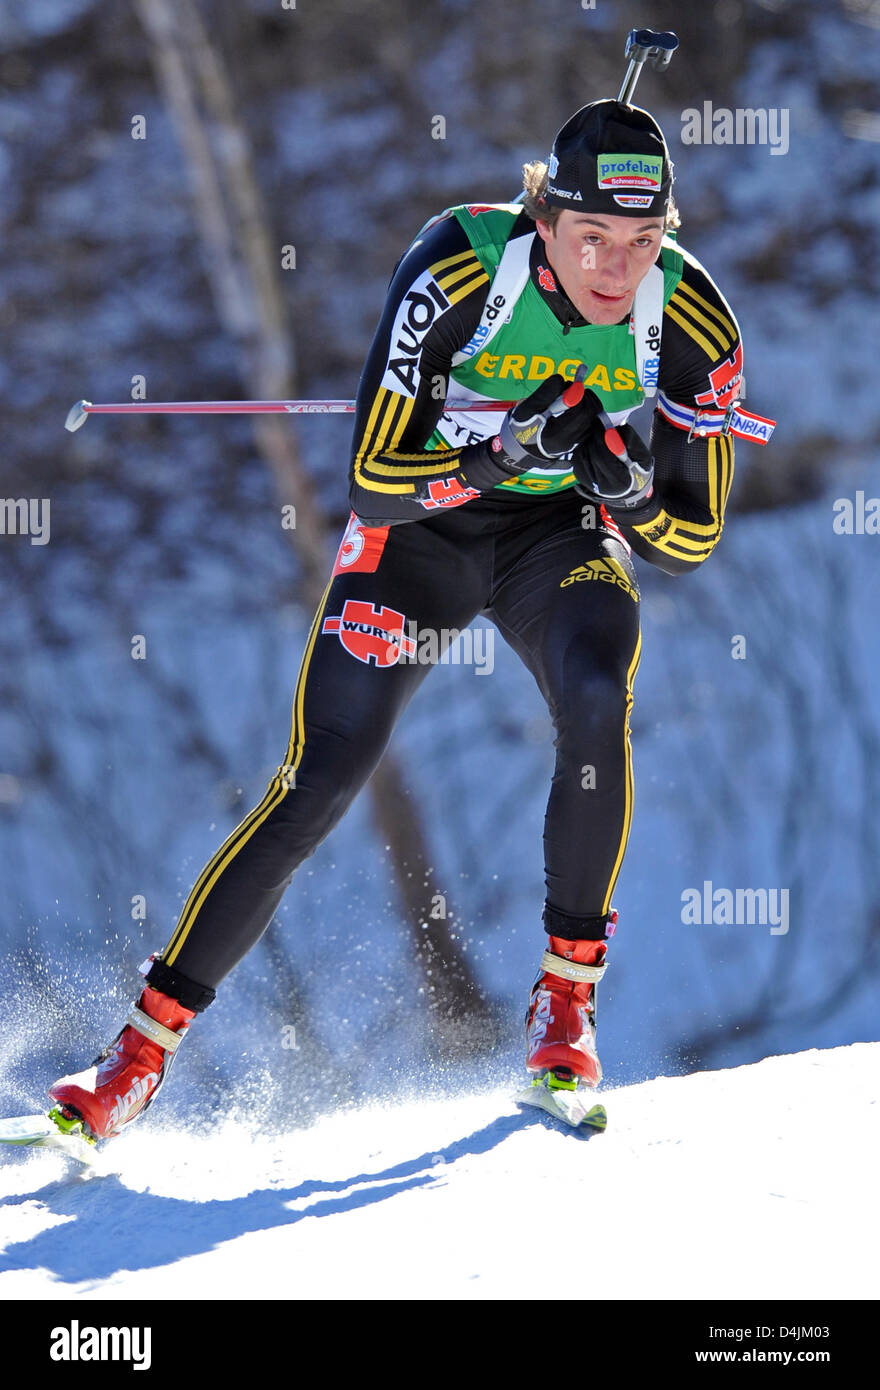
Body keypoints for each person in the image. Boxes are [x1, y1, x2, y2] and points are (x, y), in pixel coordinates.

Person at [48, 99, 773, 1139]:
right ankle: (135, 1056)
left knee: (594, 694)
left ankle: (564, 1003)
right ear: (545, 220)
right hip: (421, 536)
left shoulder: (691, 317)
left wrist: (623, 490)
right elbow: (375, 478)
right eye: (593, 240)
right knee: (323, 776)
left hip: (557, 537)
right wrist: (497, 451)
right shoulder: (459, 268)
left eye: (644, 241)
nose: (619, 270)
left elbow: (689, 541)